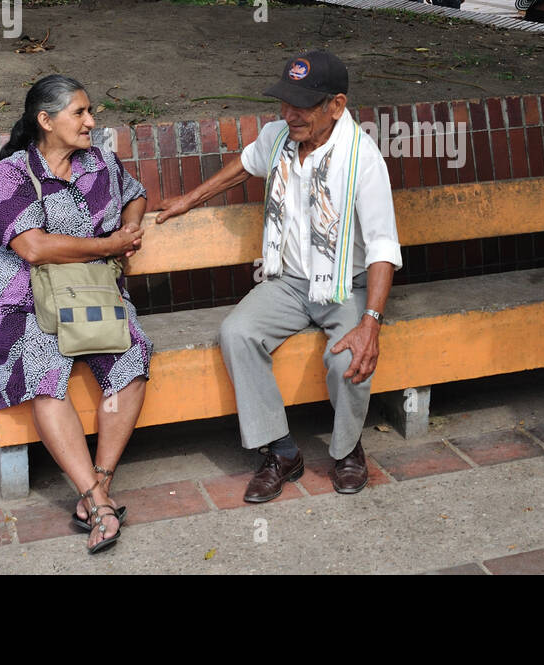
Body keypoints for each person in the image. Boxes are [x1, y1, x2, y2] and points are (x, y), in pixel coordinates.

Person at [153, 50, 400, 501]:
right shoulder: (278, 137)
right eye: (285, 102)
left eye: (302, 105)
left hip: (346, 284)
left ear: (336, 106)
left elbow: (384, 246)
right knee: (237, 333)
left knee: (347, 360)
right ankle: (281, 451)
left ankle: (346, 450)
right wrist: (189, 200)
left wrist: (372, 323)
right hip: (287, 281)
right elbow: (243, 167)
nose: (290, 114)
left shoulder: (362, 158)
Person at [0, 74, 151, 554]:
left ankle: (99, 483)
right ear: (45, 120)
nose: (91, 122)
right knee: (42, 369)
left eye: (90, 111)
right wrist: (108, 244)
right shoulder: (14, 172)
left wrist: (131, 229)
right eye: (80, 113)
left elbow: (136, 194)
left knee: (132, 359)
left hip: (91, 294)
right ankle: (96, 503)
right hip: (24, 300)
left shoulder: (100, 162)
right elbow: (31, 247)